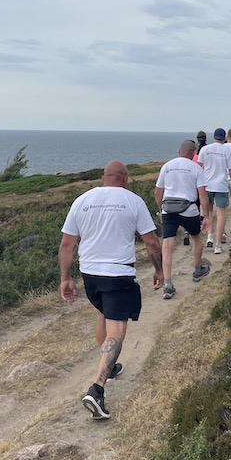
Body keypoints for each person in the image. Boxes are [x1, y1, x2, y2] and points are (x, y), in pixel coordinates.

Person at [59, 160, 163, 421]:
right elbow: (151, 242)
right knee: (117, 329)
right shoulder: (133, 200)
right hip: (118, 273)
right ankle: (97, 388)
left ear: (103, 177)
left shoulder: (82, 200)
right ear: (125, 178)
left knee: (104, 314)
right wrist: (159, 270)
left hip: (90, 274)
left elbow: (66, 245)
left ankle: (110, 365)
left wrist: (66, 279)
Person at [154, 140, 210, 300]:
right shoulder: (196, 168)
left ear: (179, 151)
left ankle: (168, 284)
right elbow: (203, 195)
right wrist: (206, 216)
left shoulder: (167, 166)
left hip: (168, 209)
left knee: (167, 244)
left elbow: (158, 193)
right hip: (189, 209)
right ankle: (197, 269)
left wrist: (161, 209)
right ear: (193, 153)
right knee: (196, 238)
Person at [197, 127, 231, 255]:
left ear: (214, 137)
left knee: (208, 212)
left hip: (207, 185)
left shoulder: (205, 149)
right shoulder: (227, 150)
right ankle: (218, 245)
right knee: (221, 215)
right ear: (224, 138)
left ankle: (209, 236)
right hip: (221, 185)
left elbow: (198, 167)